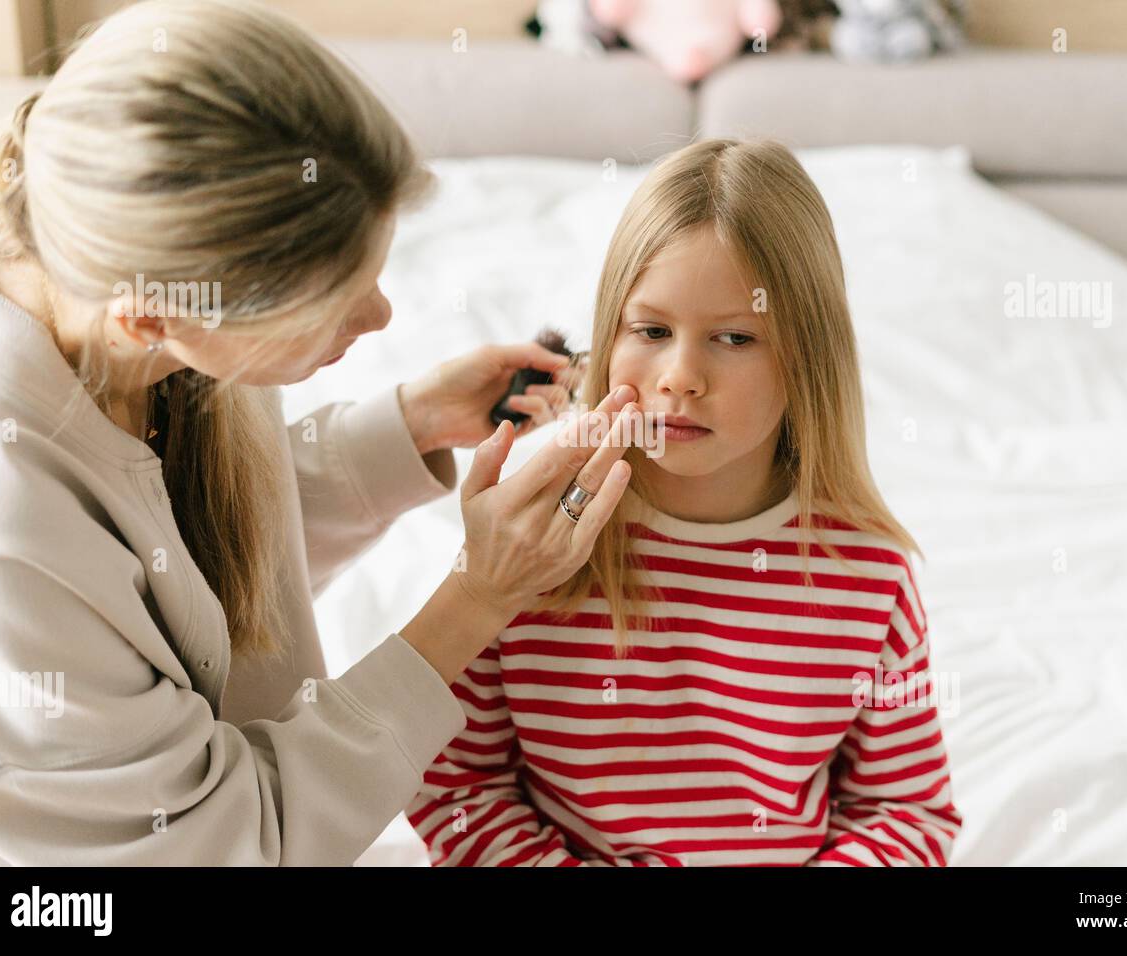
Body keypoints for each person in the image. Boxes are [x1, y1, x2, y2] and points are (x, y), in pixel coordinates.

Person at [0, 0, 638, 865]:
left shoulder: (113, 290)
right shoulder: (0, 529)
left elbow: (182, 583)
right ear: (151, 322)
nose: (383, 312)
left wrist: (407, 426)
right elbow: (218, 844)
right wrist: (478, 597)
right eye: (337, 302)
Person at [409, 139, 963, 866]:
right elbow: (458, 790)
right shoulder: (531, 541)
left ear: (810, 357)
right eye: (652, 331)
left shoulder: (868, 576)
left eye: (735, 337)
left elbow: (907, 813)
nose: (681, 377)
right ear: (609, 335)